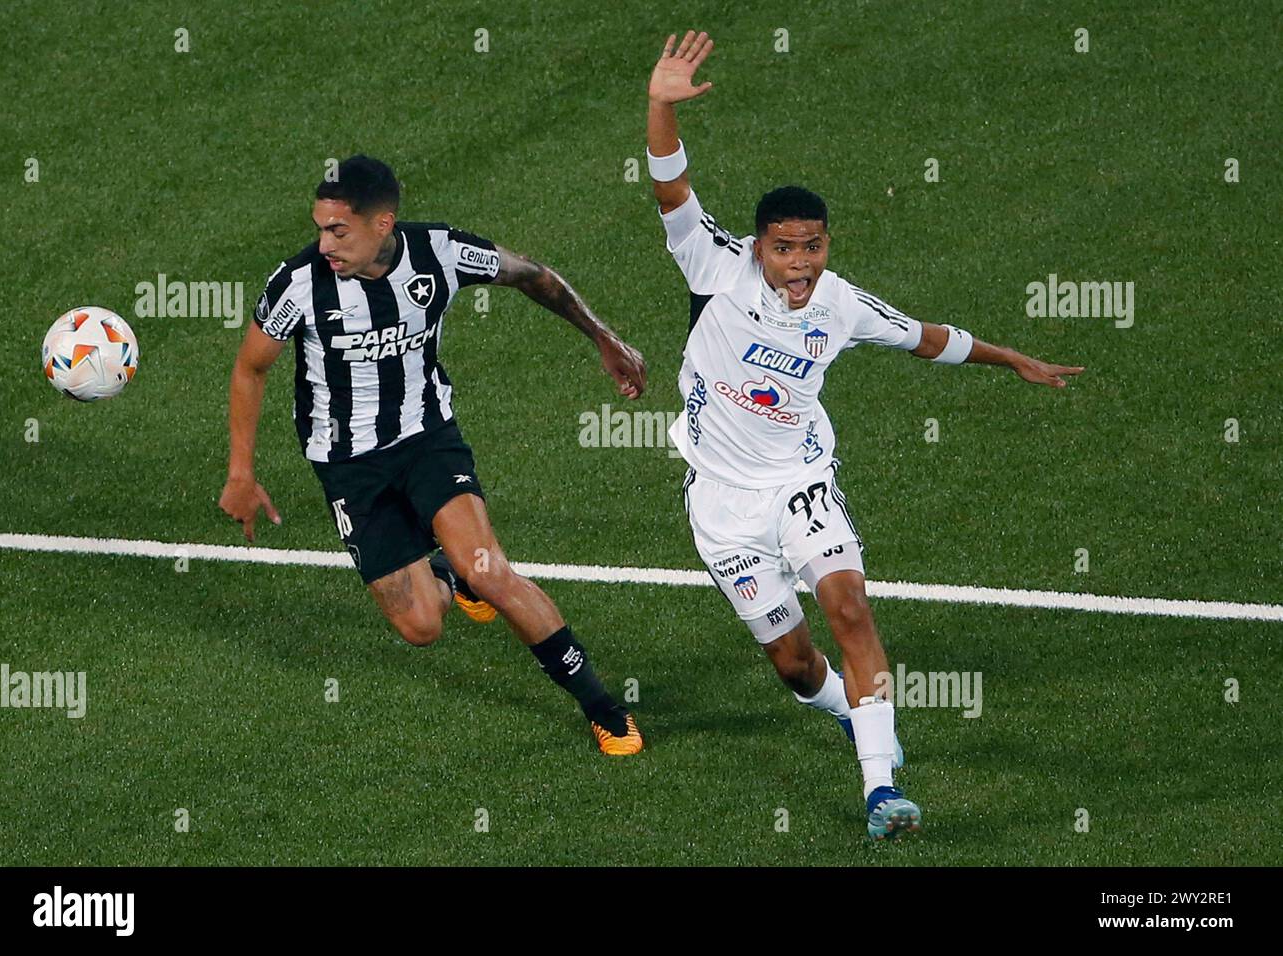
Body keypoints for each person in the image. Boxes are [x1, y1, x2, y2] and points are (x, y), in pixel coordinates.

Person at [646, 32, 1085, 836]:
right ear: (759, 247)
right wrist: (661, 105)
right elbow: (672, 190)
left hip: (800, 485)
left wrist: (1012, 357)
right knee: (794, 663)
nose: (800, 263)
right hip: (720, 505)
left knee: (849, 609)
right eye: (785, 249)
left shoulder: (840, 303)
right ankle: (847, 710)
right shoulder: (714, 269)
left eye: (812, 246)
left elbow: (926, 337)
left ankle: (881, 789)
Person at [219, 155, 648, 755]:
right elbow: (251, 367)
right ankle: (446, 574)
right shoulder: (298, 284)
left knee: (490, 570)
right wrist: (242, 472)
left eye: (338, 230)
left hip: (427, 439)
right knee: (421, 627)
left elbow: (532, 276)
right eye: (319, 228)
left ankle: (602, 706)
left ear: (383, 223)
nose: (324, 244)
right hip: (347, 465)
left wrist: (601, 334)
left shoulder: (439, 253)